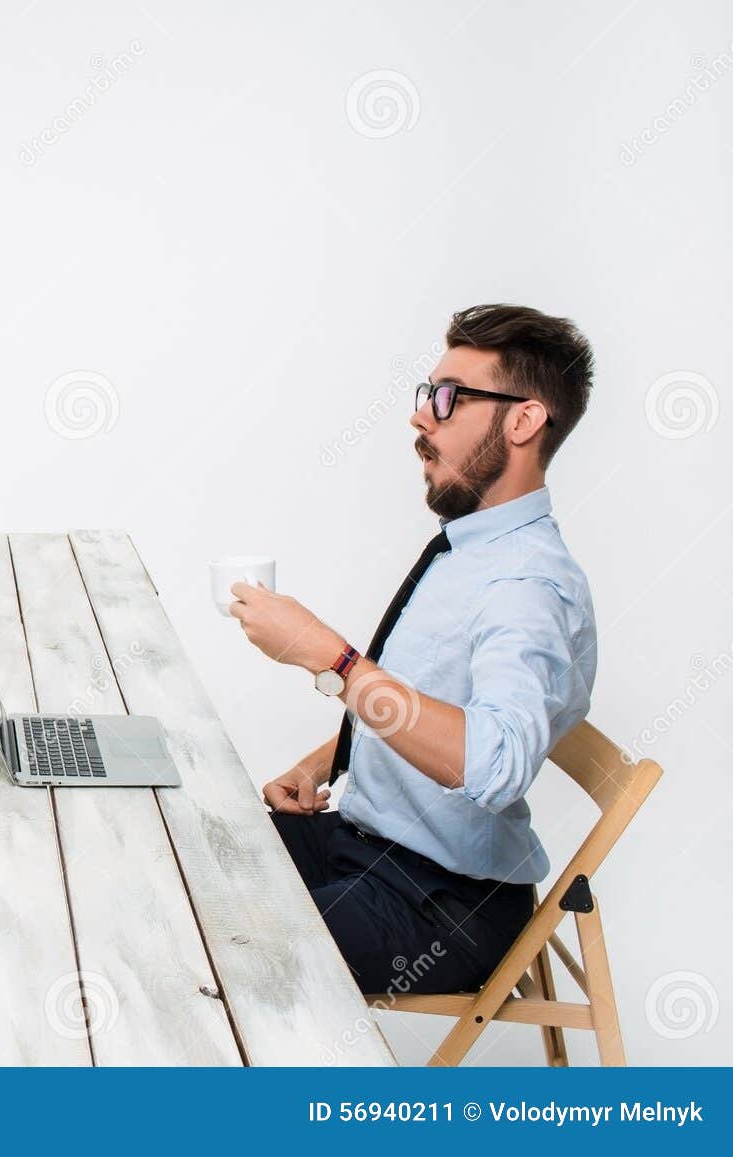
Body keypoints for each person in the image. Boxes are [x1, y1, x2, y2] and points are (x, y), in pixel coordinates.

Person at [228, 304, 597, 995]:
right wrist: (327, 759)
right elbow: (430, 695)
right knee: (185, 852)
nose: (421, 418)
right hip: (364, 842)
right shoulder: (475, 545)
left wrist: (330, 657)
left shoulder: (528, 584)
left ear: (523, 420)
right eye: (427, 394)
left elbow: (492, 762)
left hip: (442, 904)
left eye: (449, 398)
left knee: (218, 942)